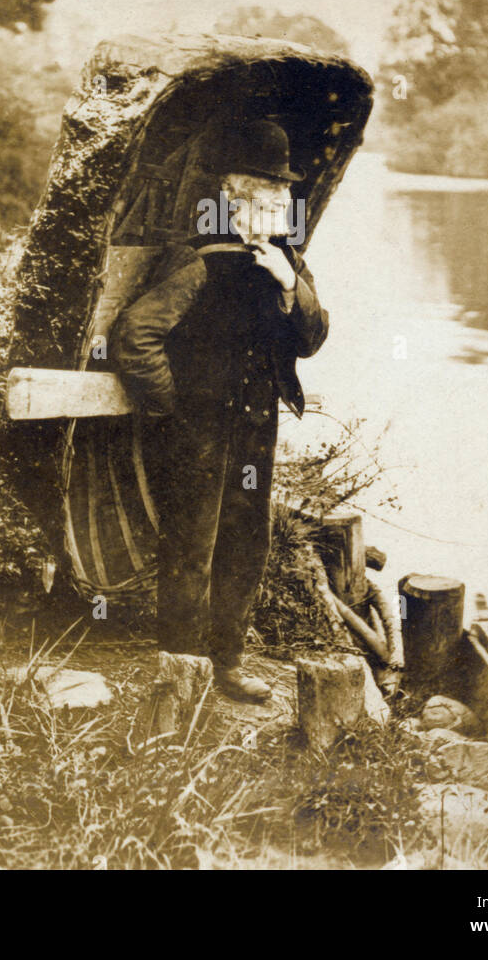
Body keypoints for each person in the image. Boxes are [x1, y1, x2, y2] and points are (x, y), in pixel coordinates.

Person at [112, 119, 328, 701]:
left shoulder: (287, 262)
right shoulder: (199, 259)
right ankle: (182, 673)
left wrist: (290, 287)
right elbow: (136, 336)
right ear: (241, 197)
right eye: (273, 191)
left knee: (245, 540)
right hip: (199, 430)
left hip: (257, 427)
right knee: (191, 544)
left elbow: (312, 338)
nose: (286, 201)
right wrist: (169, 406)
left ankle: (227, 664)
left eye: (284, 192)